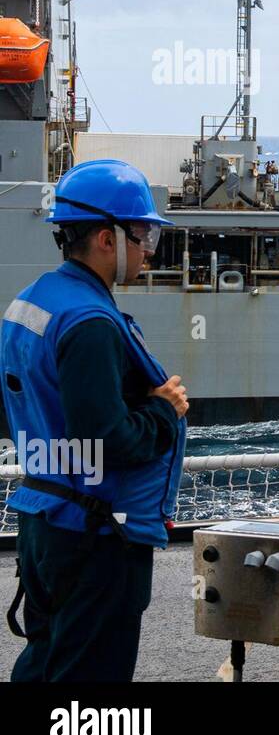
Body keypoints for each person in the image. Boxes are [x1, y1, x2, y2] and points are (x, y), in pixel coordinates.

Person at [2, 159, 188, 682]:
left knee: (46, 662)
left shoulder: (34, 300)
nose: (150, 249)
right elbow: (106, 442)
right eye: (144, 233)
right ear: (107, 238)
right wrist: (163, 409)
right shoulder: (89, 322)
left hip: (44, 521)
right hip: (95, 537)